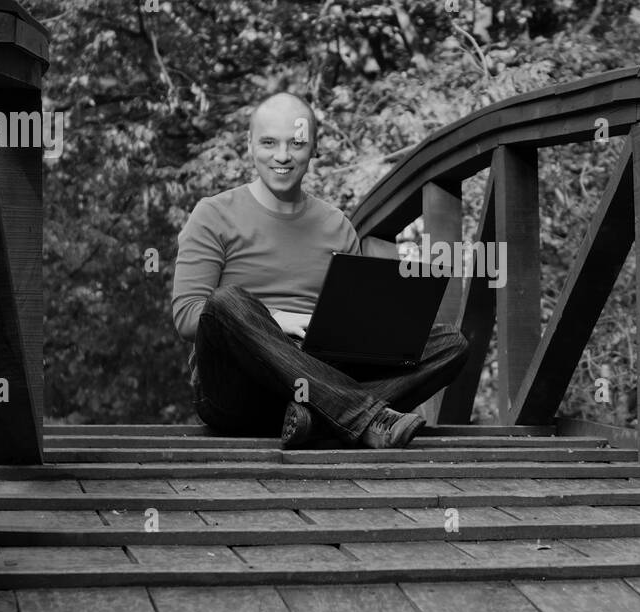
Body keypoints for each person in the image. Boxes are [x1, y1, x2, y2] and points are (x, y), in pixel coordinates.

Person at [171, 91, 471, 449]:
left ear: (314, 148)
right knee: (224, 302)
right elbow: (189, 317)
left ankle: (315, 421)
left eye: (296, 144)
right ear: (249, 145)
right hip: (236, 391)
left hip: (315, 376)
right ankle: (364, 416)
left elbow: (355, 322)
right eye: (269, 143)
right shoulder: (213, 214)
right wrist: (275, 318)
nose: (282, 156)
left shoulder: (337, 225)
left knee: (450, 344)